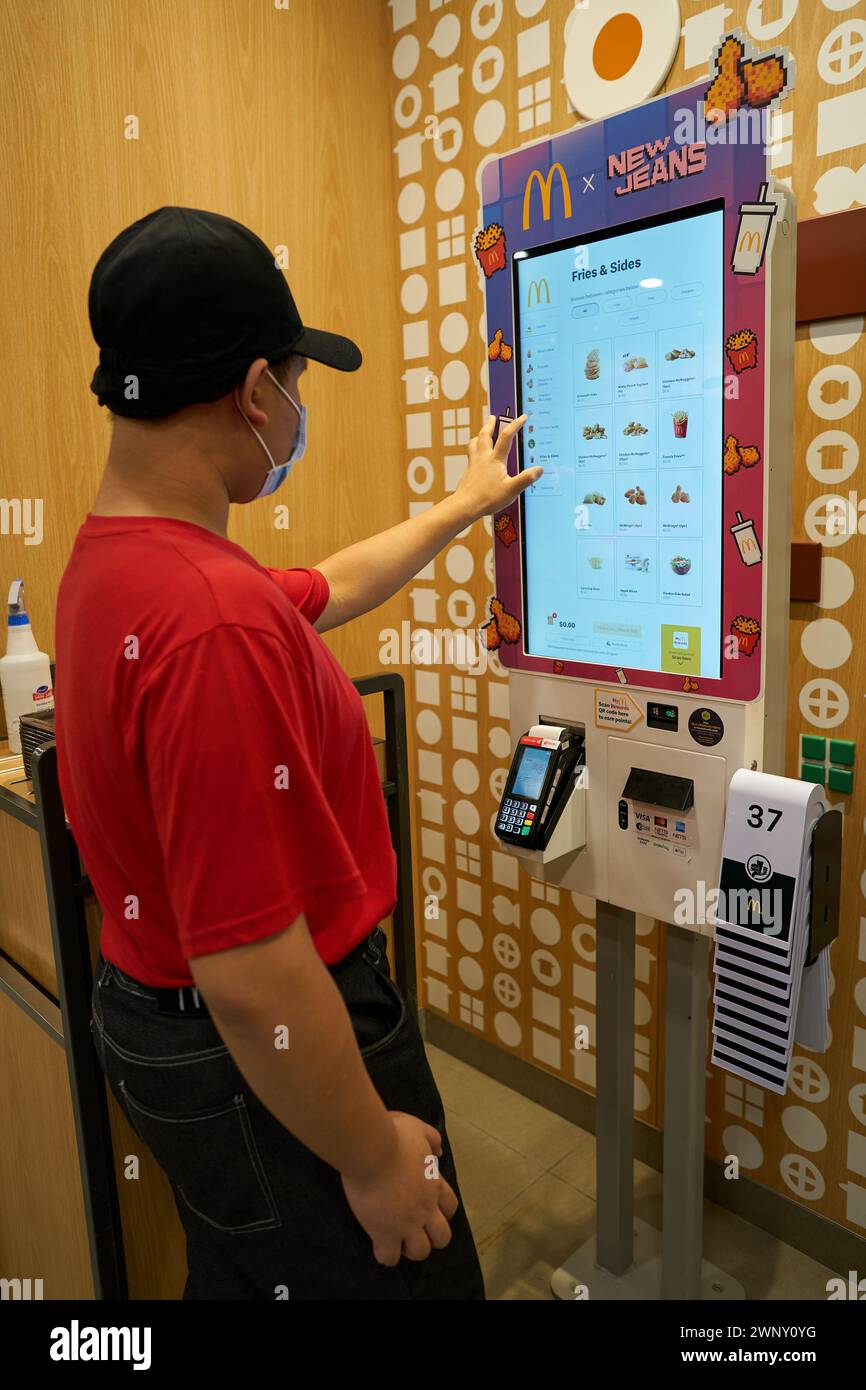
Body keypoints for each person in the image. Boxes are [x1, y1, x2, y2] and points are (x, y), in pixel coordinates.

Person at [55, 206, 538, 1300]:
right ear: (254, 394)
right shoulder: (209, 622)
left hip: (152, 1026)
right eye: (295, 383)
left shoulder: (117, 566)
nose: (298, 411)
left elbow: (331, 583)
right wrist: (372, 1158)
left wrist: (462, 507)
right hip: (267, 1049)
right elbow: (252, 972)